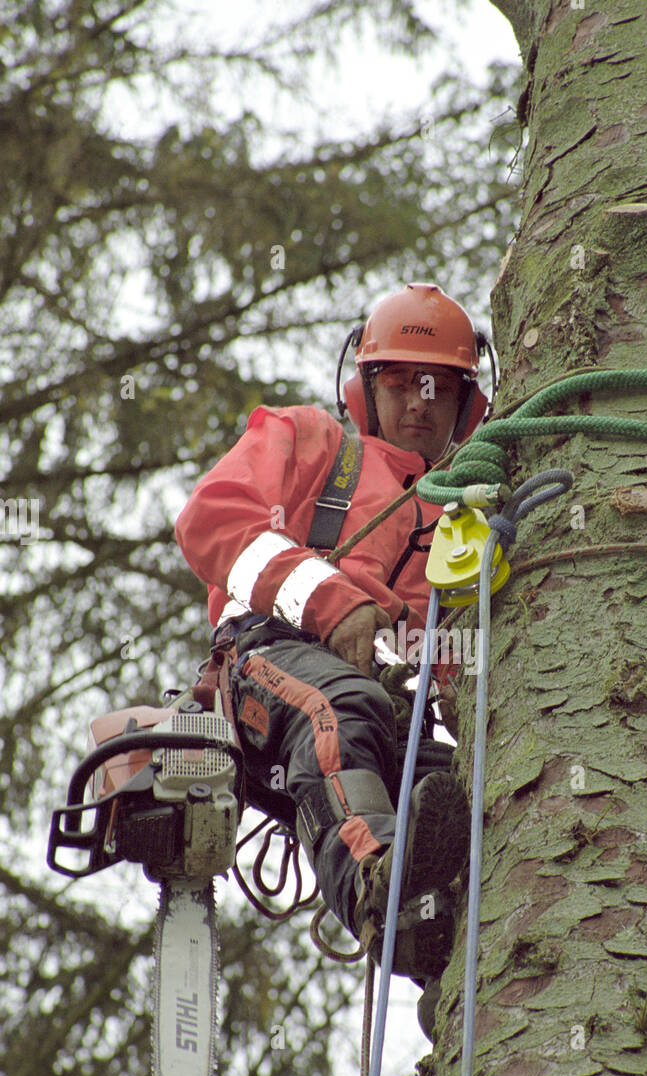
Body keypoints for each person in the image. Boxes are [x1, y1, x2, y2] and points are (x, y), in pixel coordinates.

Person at [174, 283, 493, 1037]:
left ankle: (450, 965)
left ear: (465, 403)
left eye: (437, 385)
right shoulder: (310, 439)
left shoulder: (463, 523)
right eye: (399, 382)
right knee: (340, 707)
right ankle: (376, 888)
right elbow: (211, 519)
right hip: (271, 664)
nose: (418, 402)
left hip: (389, 723)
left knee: (464, 795)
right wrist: (328, 599)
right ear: (364, 388)